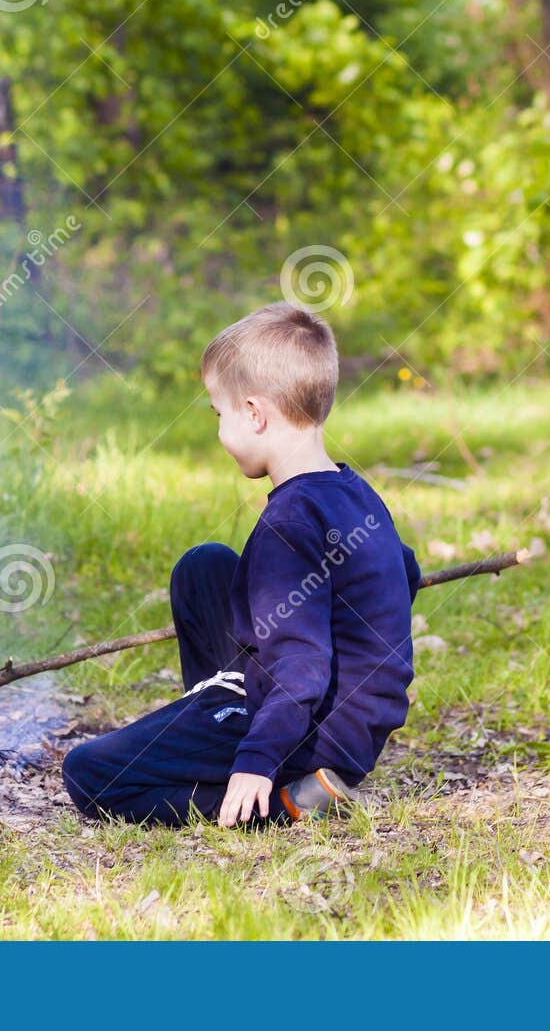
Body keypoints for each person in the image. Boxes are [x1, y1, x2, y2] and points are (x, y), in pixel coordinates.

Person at [62, 302, 420, 827]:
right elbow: (403, 571)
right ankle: (218, 722)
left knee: (90, 772)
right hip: (354, 723)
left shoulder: (289, 522)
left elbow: (300, 664)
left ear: (254, 414)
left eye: (218, 414)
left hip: (309, 731)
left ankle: (281, 802)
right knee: (203, 569)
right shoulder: (354, 491)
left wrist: (256, 760)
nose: (218, 430)